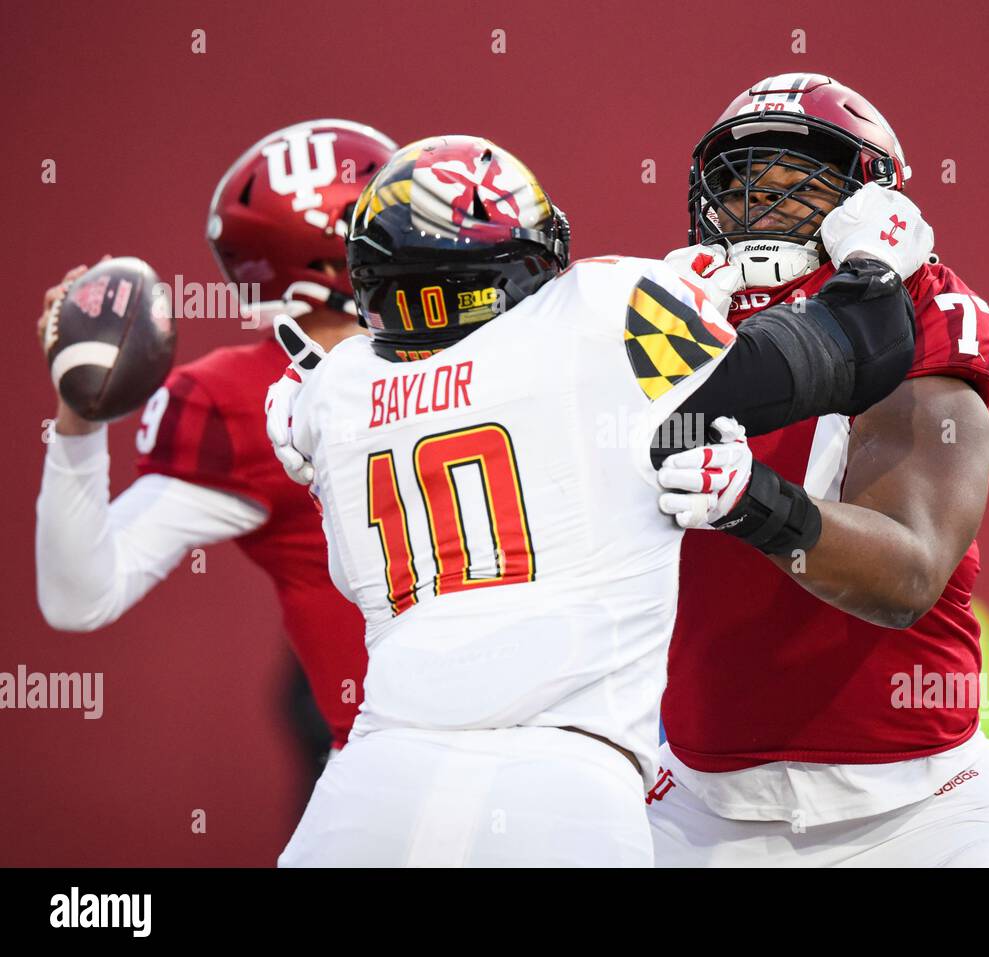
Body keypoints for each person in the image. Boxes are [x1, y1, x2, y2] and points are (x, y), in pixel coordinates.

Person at [268, 133, 922, 866]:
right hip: (564, 787)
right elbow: (847, 353)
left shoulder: (327, 392)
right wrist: (872, 265)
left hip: (369, 787)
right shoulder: (602, 316)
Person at [649, 73, 989, 866]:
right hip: (700, 805)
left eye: (797, 187)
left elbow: (906, 574)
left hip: (922, 807)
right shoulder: (668, 310)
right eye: (738, 188)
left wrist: (752, 502)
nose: (757, 212)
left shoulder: (925, 307)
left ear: (874, 207)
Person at [35, 120, 395, 760]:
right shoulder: (498, 349)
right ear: (339, 254)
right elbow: (80, 598)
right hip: (566, 742)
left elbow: (79, 595)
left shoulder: (239, 399)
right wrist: (79, 415)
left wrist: (78, 422)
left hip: (394, 765)